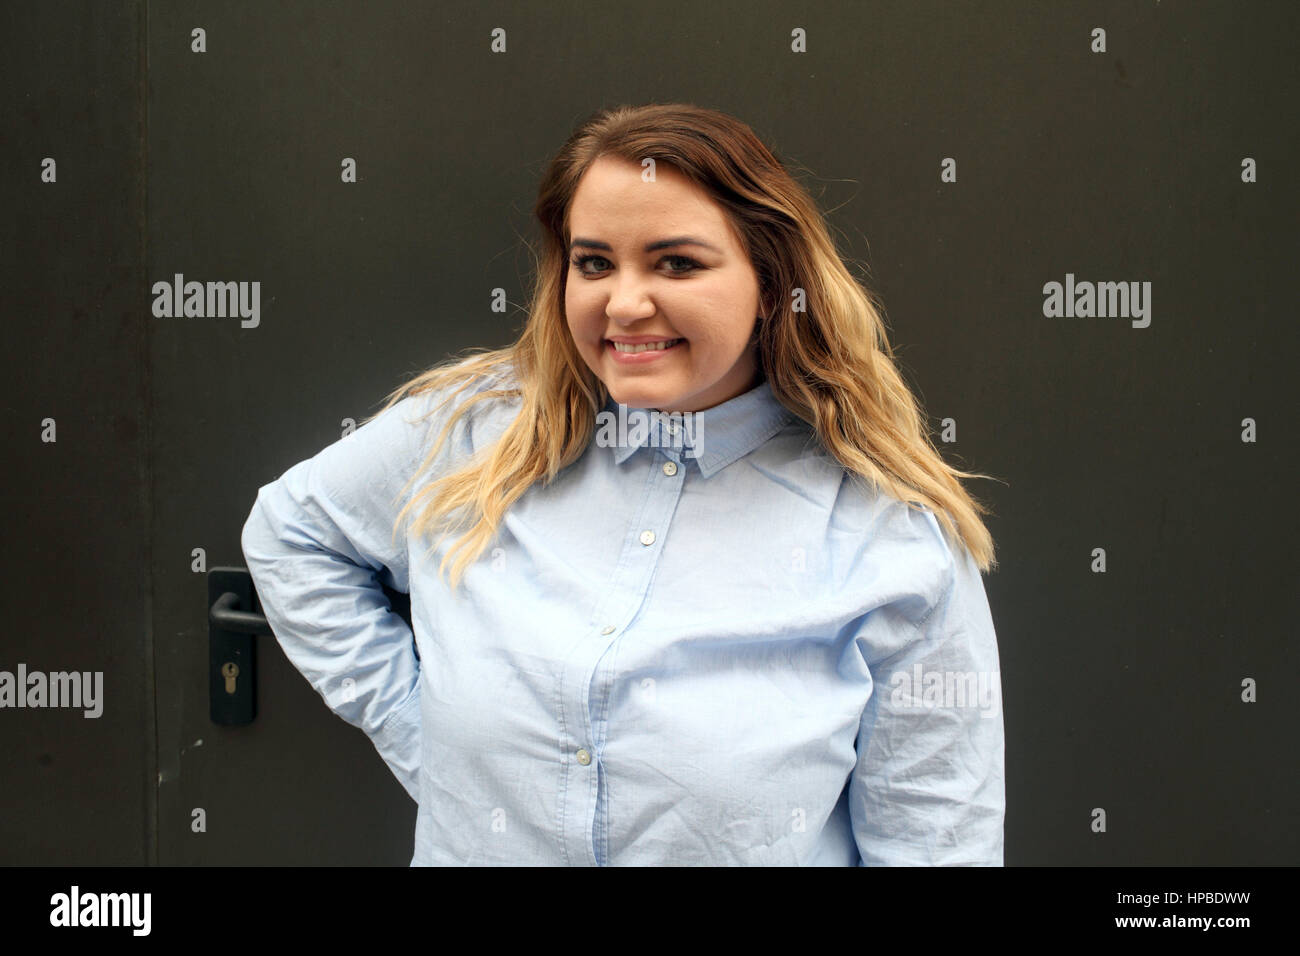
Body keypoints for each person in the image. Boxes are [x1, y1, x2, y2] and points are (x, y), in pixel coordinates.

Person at [241, 102, 1006, 866]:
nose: (625, 304)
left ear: (774, 284)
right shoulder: (467, 433)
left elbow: (937, 846)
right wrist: (428, 744)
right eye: (595, 263)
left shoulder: (891, 537)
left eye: (677, 263)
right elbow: (291, 535)